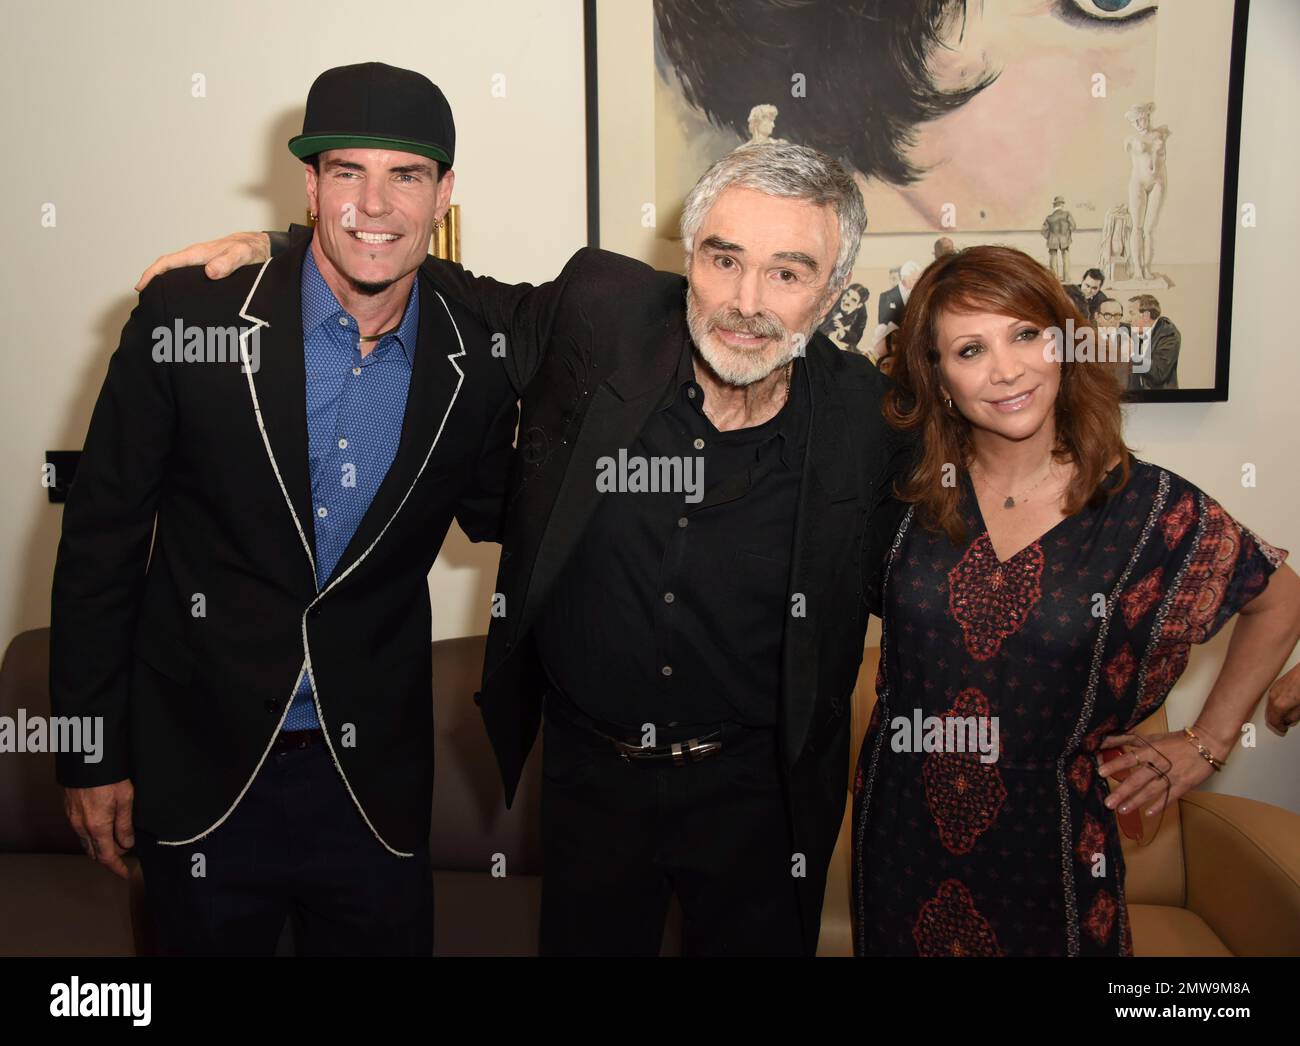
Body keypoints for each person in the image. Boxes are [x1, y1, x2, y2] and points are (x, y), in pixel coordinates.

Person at [142, 142, 915, 957]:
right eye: (725, 260)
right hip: (592, 783)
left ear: (832, 293)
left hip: (762, 797)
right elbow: (455, 292)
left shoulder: (870, 426)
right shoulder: (603, 314)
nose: (745, 301)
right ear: (690, 258)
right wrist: (285, 248)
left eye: (788, 273)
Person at [52, 62, 517, 956]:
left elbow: (511, 510)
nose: (374, 204)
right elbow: (99, 543)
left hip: (371, 786)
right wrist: (90, 752)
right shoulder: (188, 315)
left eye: (406, 175)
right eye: (349, 172)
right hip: (199, 771)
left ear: (444, 191)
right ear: (310, 184)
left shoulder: (479, 357)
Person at [852, 245, 1299, 956]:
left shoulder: (1150, 509)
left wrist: (1206, 745)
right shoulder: (903, 493)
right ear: (937, 380)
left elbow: (1279, 600)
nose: (1007, 369)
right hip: (903, 831)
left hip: (1056, 844)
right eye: (970, 349)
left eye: (1025, 334)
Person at [1126, 293, 1180, 390]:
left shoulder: (1168, 333)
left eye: (1132, 313)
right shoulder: (1137, 330)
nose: (1128, 319)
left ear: (1146, 316)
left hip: (1161, 401)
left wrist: (1133, 354)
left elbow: (1159, 374)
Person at [819, 282, 870, 353]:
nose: (847, 300)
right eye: (847, 295)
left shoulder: (861, 316)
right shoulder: (835, 295)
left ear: (859, 305)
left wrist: (843, 333)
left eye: (853, 300)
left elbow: (856, 338)